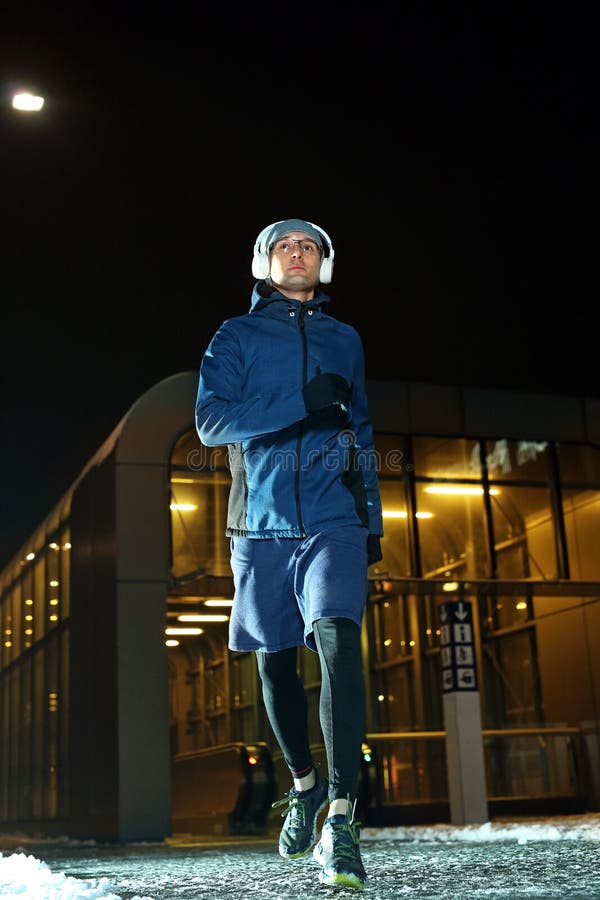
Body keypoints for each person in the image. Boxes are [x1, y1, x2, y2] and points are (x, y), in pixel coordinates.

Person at [195, 218, 383, 889]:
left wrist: (373, 522)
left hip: (335, 518)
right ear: (263, 264)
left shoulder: (346, 339)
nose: (297, 254)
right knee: (275, 666)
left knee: (338, 641)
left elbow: (360, 429)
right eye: (284, 247)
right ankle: (302, 783)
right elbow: (212, 422)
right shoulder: (235, 335)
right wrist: (298, 401)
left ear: (323, 264)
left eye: (309, 247)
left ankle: (340, 817)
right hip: (261, 525)